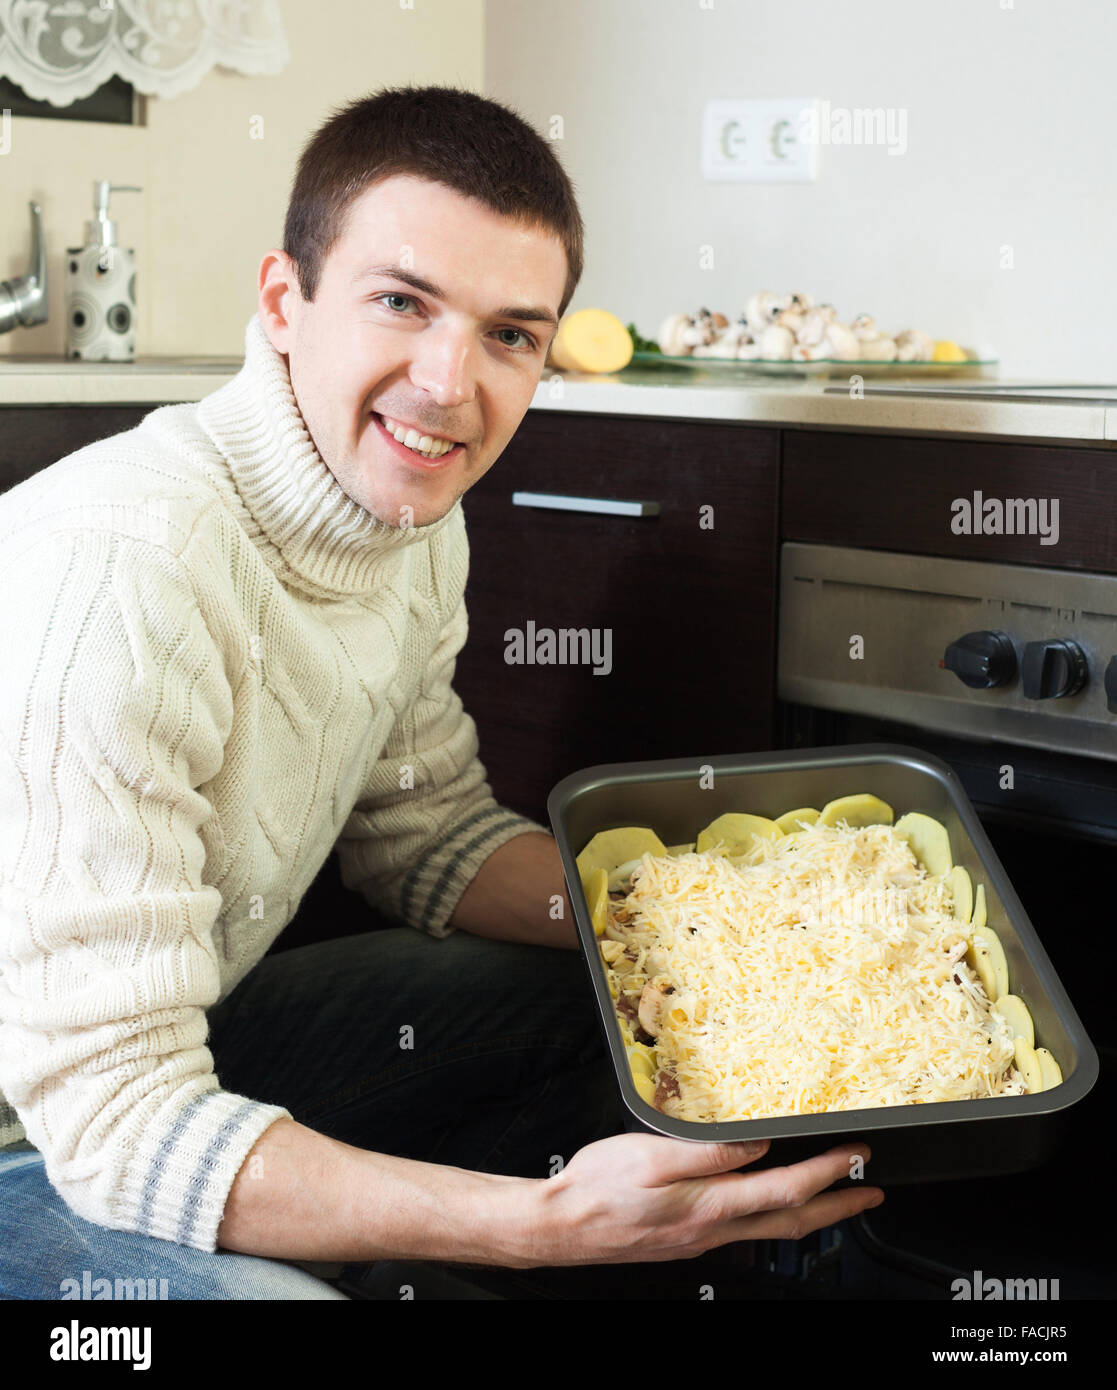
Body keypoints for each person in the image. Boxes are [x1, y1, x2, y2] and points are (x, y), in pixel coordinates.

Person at [0, 84, 883, 1301]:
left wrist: (731, 926)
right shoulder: (122, 569)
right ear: (283, 301)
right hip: (47, 1136)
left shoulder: (411, 526)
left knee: (622, 995)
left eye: (511, 334)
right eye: (401, 302)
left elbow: (429, 837)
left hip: (170, 1056)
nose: (447, 380)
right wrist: (543, 1222)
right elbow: (113, 1129)